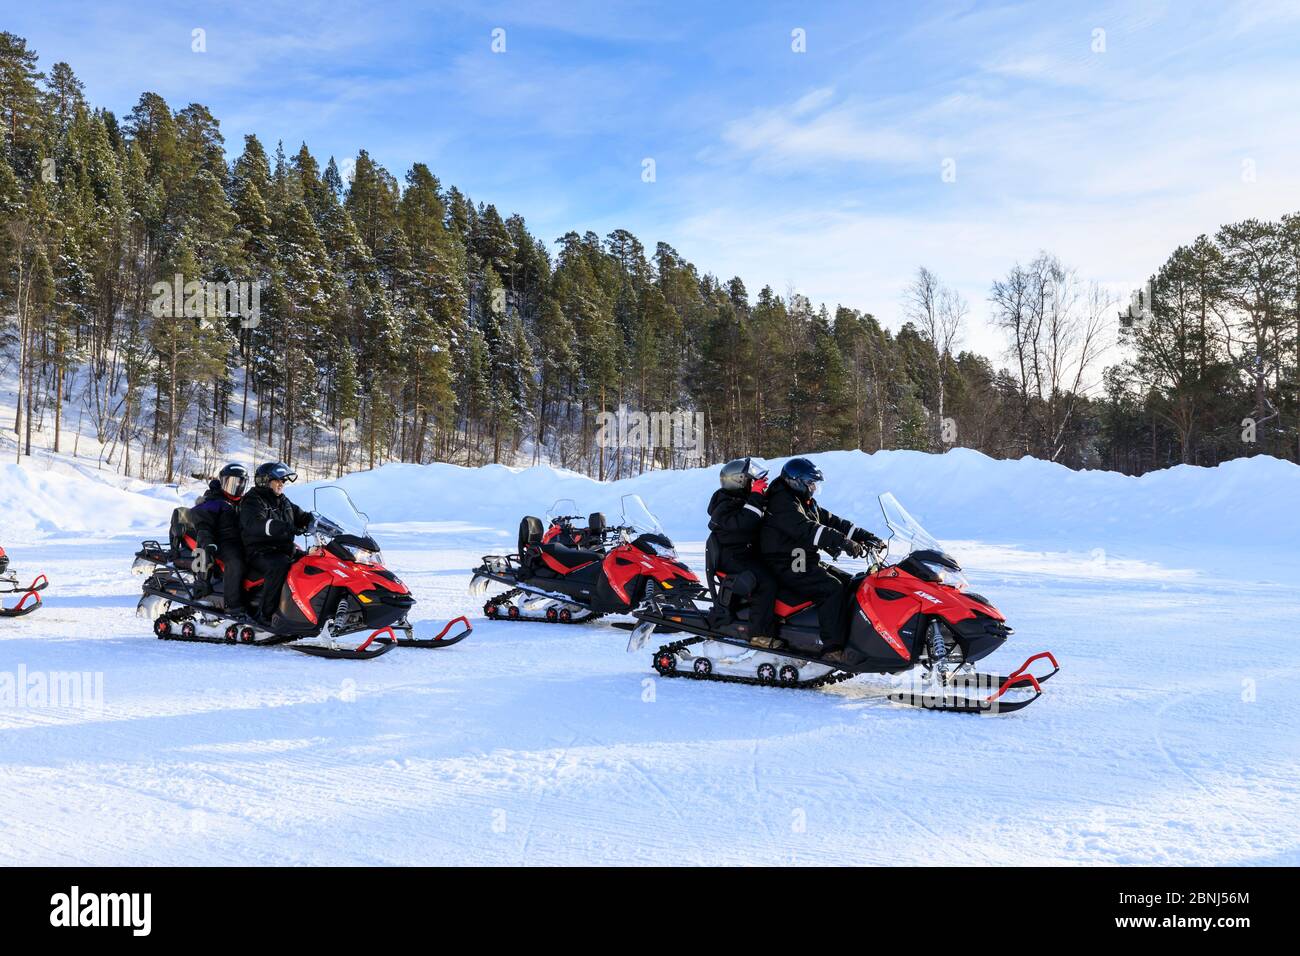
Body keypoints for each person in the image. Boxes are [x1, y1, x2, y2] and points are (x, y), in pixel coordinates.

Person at [758, 457, 883, 662]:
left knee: (853, 583)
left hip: (801, 560)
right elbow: (808, 529)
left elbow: (831, 520)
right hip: (784, 564)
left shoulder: (801, 500)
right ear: (796, 481)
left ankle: (851, 637)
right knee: (831, 589)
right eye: (811, 483)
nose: (814, 488)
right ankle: (831, 649)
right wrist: (844, 543)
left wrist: (865, 536)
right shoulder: (782, 502)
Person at [707, 457, 780, 648]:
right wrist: (756, 495)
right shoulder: (724, 504)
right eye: (751, 481)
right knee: (765, 582)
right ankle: (759, 636)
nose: (755, 484)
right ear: (739, 480)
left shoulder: (740, 499)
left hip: (743, 553)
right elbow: (745, 522)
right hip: (732, 557)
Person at [239, 462, 314, 625]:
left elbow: (300, 515)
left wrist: (315, 521)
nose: (281, 484)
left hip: (282, 549)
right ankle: (265, 615)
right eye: (277, 480)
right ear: (265, 481)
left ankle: (303, 611)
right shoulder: (252, 500)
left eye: (283, 481)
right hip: (259, 550)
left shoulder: (283, 500)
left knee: (310, 562)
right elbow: (254, 524)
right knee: (279, 566)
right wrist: (284, 527)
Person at [191, 463, 250, 615]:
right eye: (232, 483)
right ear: (223, 482)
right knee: (235, 562)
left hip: (241, 542)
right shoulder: (213, 502)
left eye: (240, 483)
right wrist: (208, 543)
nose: (236, 487)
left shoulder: (244, 503)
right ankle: (232, 605)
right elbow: (203, 527)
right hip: (220, 543)